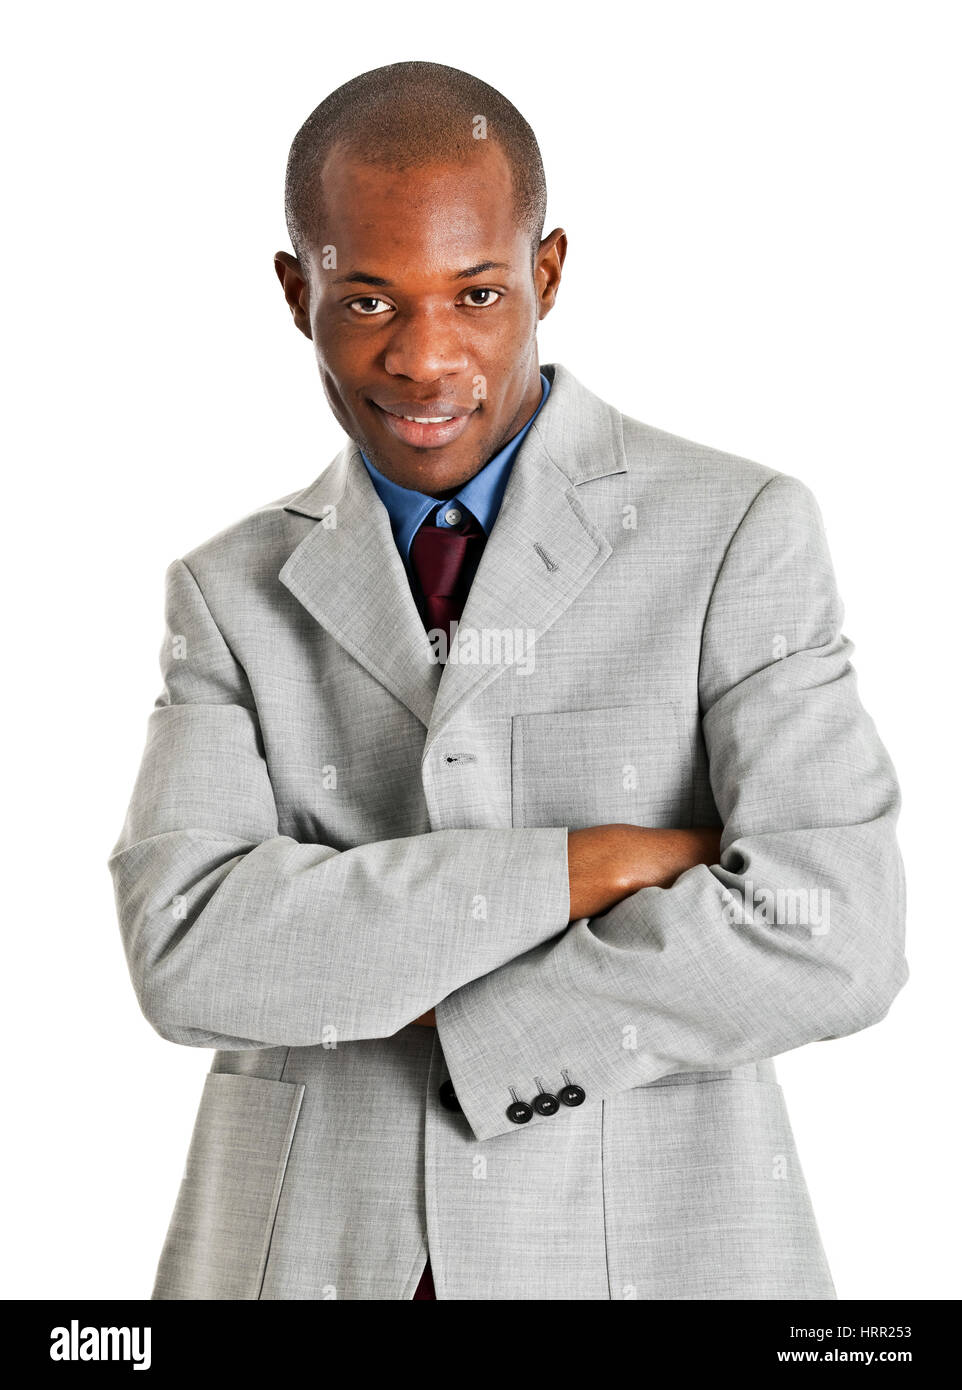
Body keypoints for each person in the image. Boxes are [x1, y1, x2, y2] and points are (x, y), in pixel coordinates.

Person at [107, 60, 908, 1300]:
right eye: (367, 300)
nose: (426, 360)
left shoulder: (733, 529)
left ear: (544, 274)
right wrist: (588, 864)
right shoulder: (227, 589)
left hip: (645, 1253)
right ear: (293, 291)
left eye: (475, 292)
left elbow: (833, 933)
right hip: (302, 1260)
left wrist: (468, 1019)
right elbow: (190, 954)